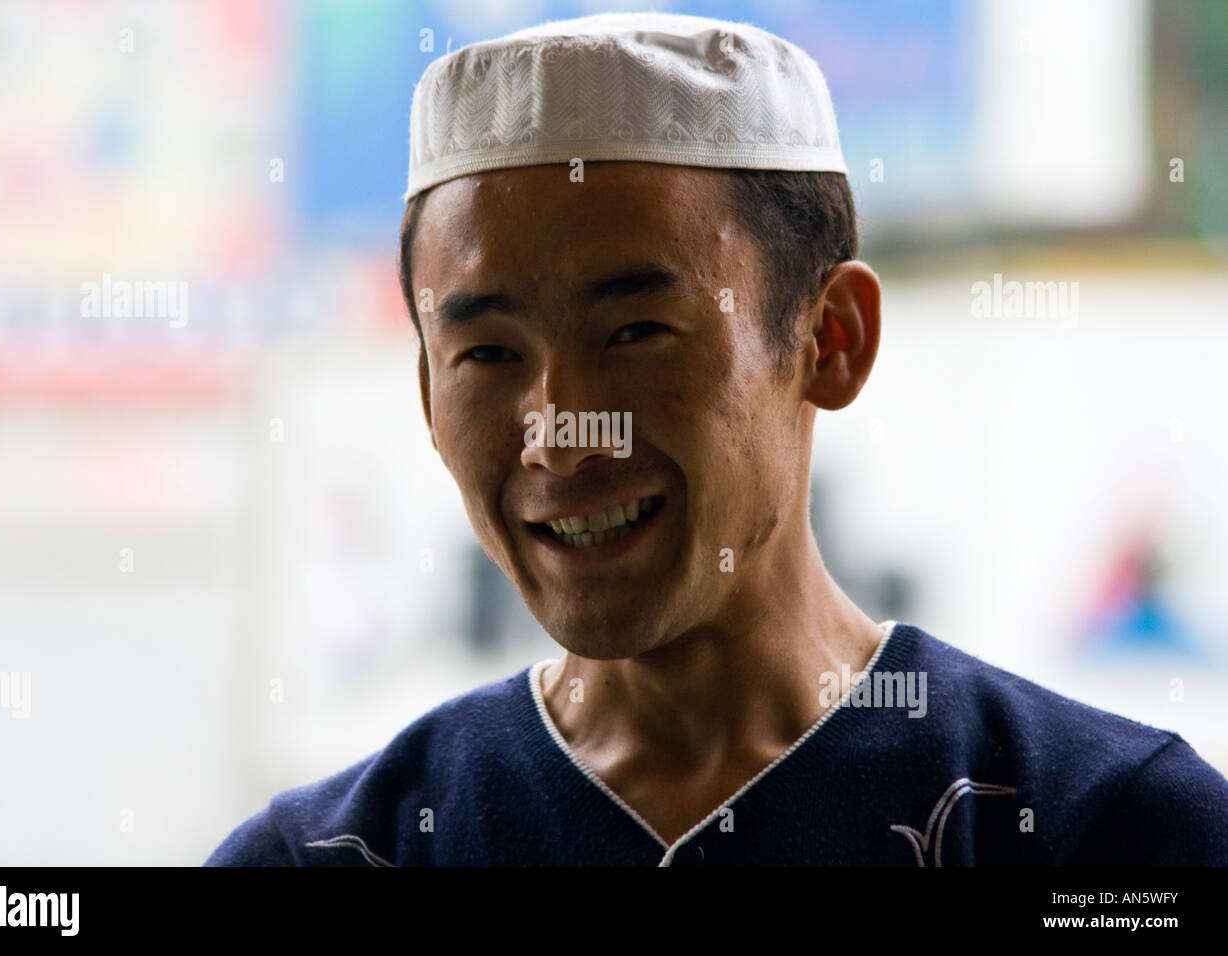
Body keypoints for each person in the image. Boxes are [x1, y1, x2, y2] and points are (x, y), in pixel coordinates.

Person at [206, 11, 1228, 866]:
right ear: (426, 387)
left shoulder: (1110, 834)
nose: (559, 433)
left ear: (831, 338)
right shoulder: (331, 856)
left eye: (636, 333)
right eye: (486, 353)